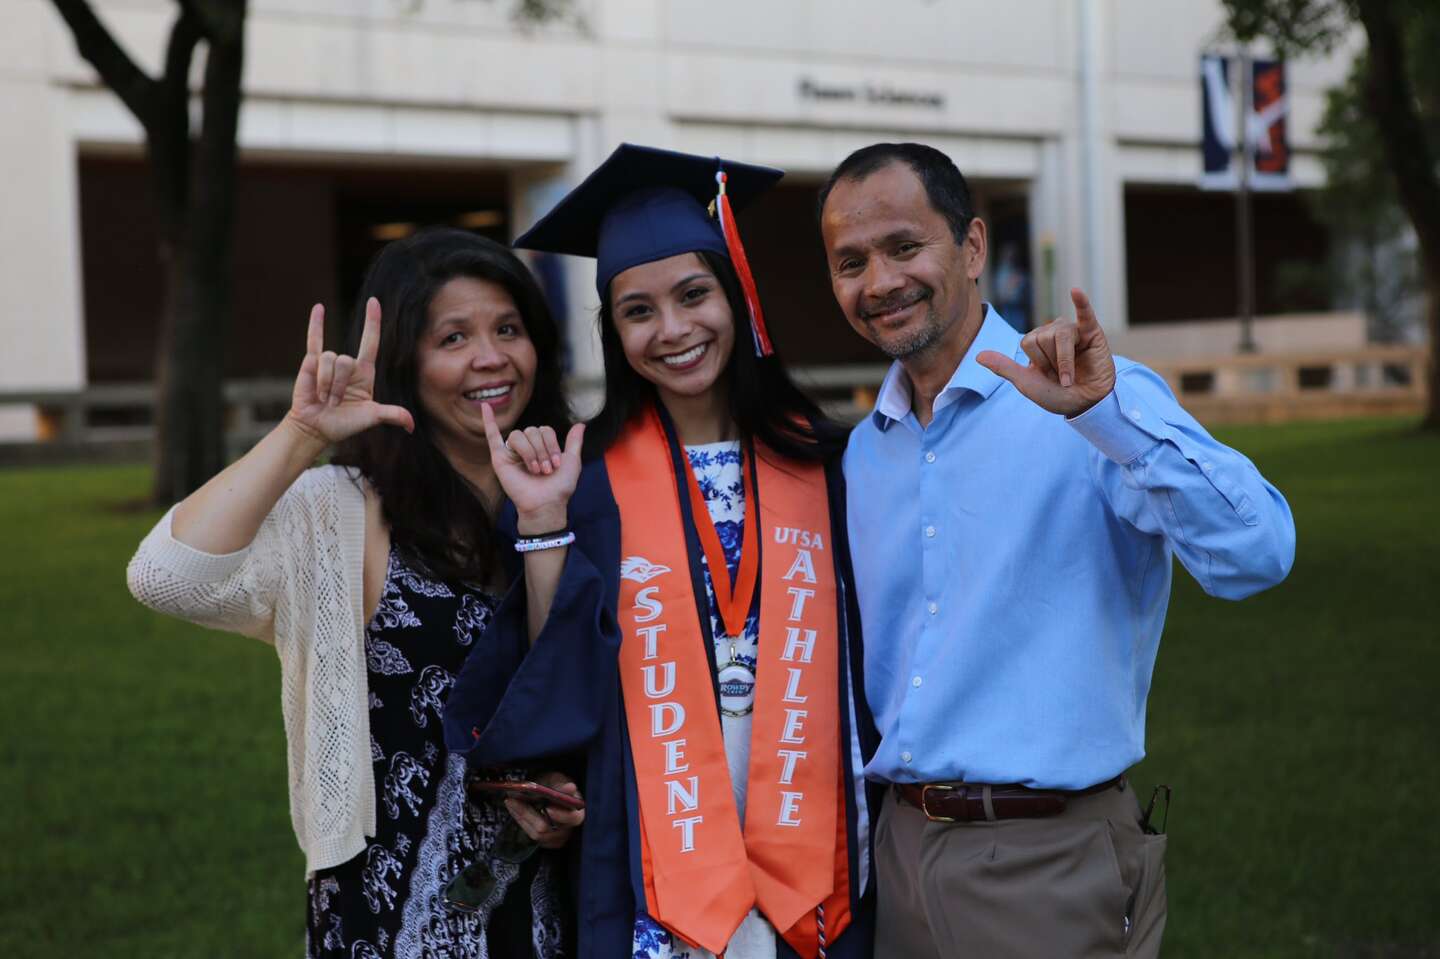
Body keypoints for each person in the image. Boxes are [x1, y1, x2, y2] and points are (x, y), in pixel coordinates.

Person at [816, 142, 1297, 958]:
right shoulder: (863, 454)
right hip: (895, 856)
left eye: (904, 247)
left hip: (1047, 860)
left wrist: (1104, 418)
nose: (879, 282)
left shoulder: (1088, 399)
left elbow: (1258, 552)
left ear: (971, 247)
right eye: (850, 261)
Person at [443, 144, 878, 959]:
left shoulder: (830, 463)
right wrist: (542, 522)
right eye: (638, 310)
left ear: (737, 298)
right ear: (615, 330)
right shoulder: (592, 481)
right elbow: (556, 667)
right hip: (657, 841)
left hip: (808, 833)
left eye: (692, 295)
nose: (673, 331)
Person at [126, 228, 583, 958]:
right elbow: (165, 576)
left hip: (542, 911)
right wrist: (302, 432)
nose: (490, 356)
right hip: (384, 915)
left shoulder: (572, 495)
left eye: (508, 328)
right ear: (406, 361)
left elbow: (579, 695)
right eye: (453, 337)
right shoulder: (340, 510)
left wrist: (567, 793)